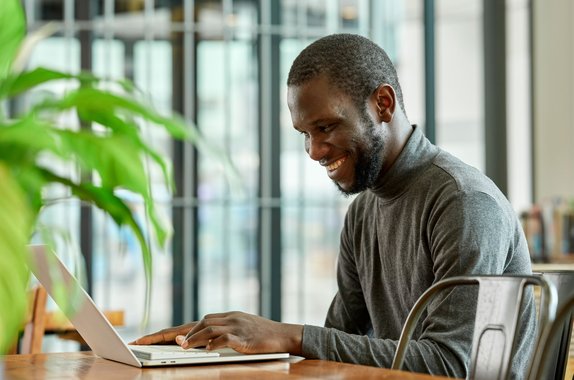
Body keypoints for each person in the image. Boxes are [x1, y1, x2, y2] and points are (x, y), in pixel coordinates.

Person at [133, 33, 536, 378]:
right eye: (304, 134)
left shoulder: (463, 203)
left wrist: (290, 335)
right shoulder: (363, 212)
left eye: (325, 127)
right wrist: (219, 348)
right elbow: (336, 343)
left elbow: (451, 366)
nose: (313, 151)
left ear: (383, 104)